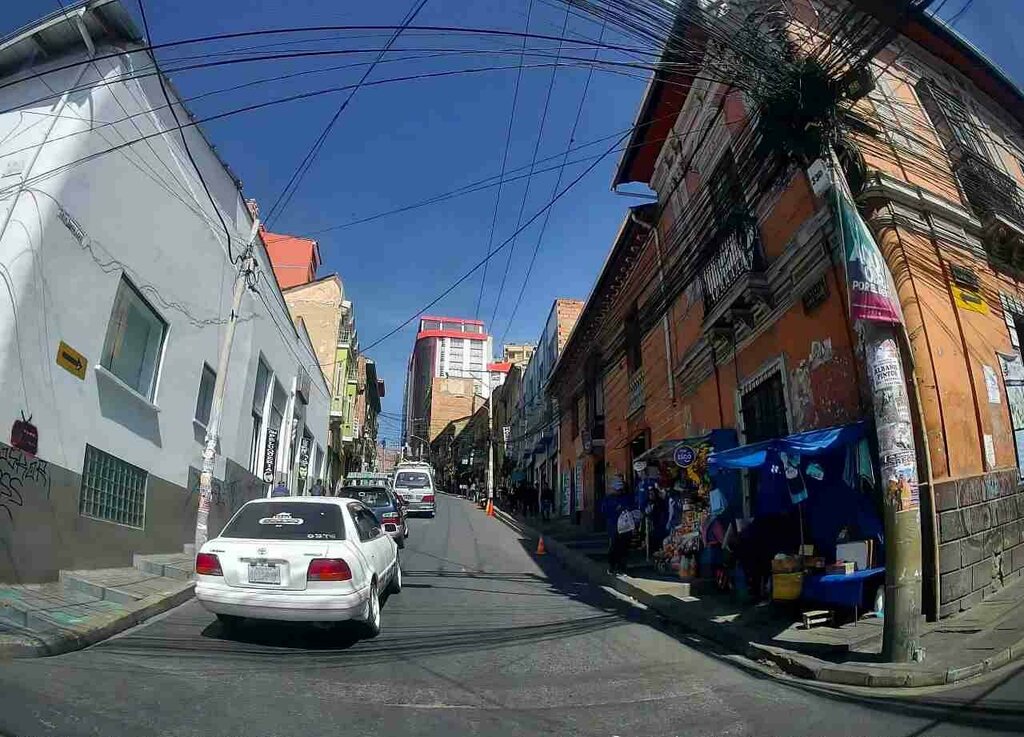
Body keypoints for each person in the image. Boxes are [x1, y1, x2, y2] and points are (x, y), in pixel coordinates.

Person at [601, 477, 633, 575]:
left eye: (620, 489)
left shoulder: (626, 497)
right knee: (614, 547)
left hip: (626, 527)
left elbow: (632, 508)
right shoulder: (608, 499)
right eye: (617, 489)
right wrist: (616, 510)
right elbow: (604, 511)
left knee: (624, 547)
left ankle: (622, 567)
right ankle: (612, 566)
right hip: (614, 527)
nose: (619, 491)